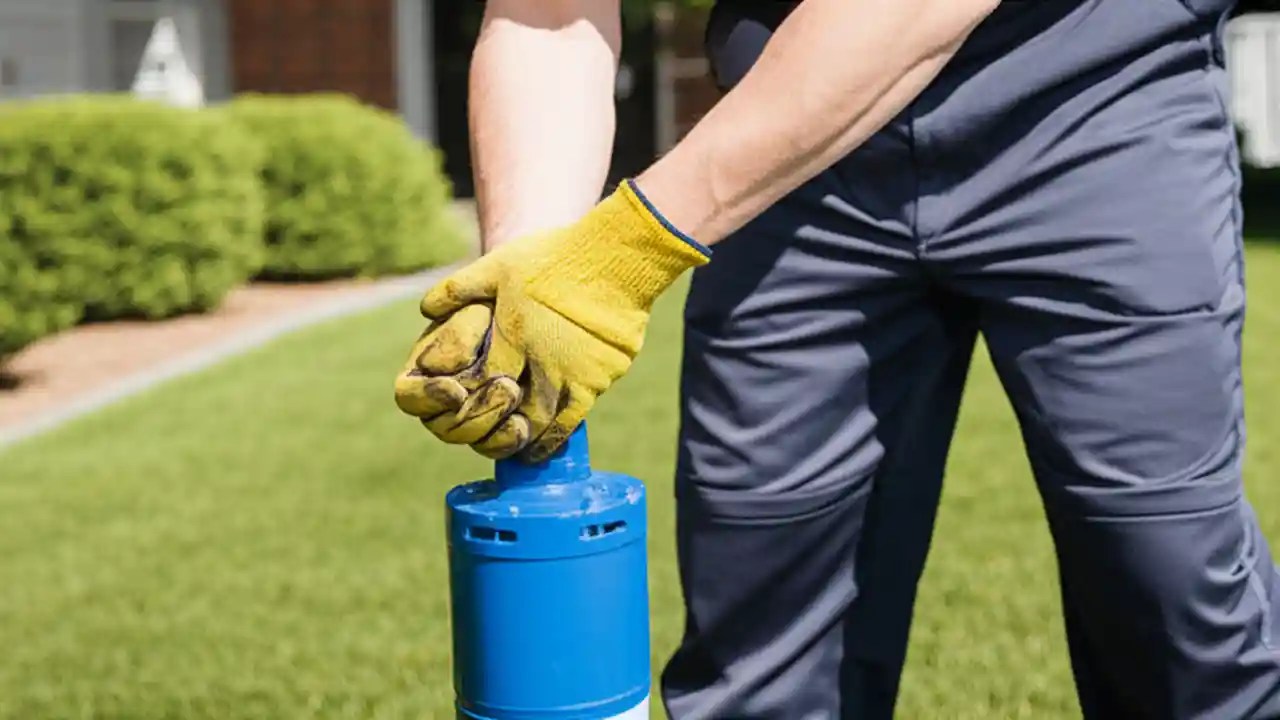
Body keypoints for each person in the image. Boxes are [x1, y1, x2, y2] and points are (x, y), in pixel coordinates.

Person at [394, 0, 1280, 716]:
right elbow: (549, 17)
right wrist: (522, 297)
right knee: (761, 639)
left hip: (1094, 112)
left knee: (1166, 589)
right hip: (790, 152)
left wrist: (632, 244)